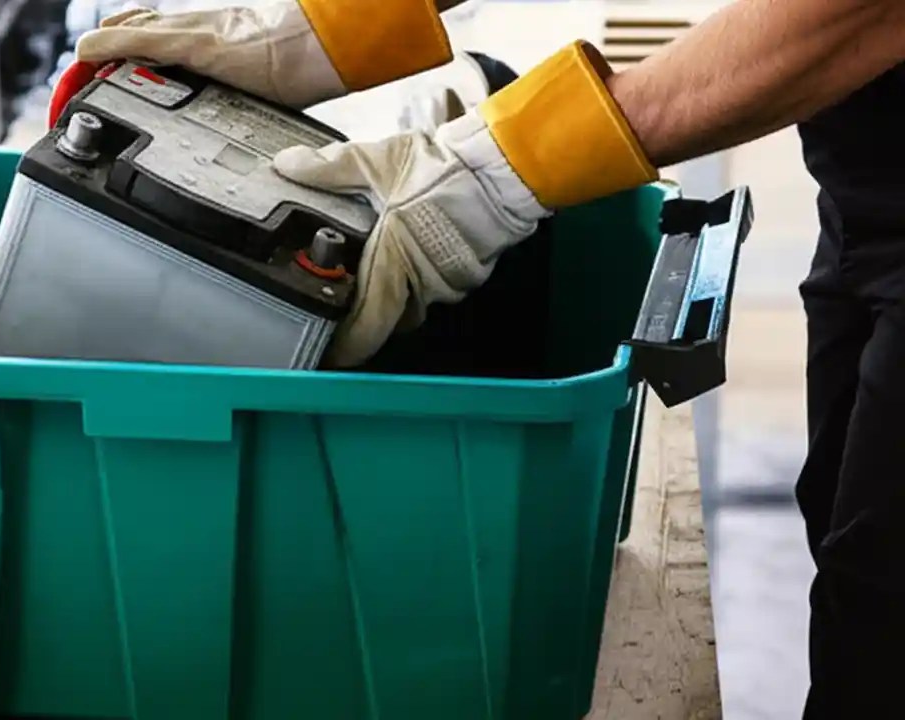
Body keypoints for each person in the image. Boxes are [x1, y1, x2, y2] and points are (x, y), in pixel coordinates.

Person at [75, 0, 905, 716]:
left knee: (881, 623)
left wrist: (495, 174)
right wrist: (326, 29)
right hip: (872, 188)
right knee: (853, 567)